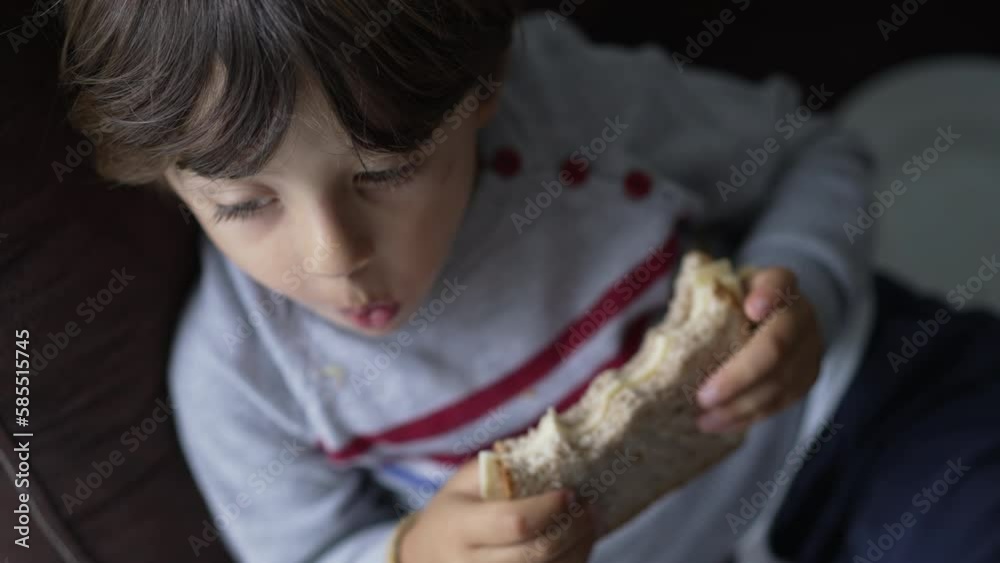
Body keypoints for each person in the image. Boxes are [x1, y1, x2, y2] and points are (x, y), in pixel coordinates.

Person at [58, 2, 878, 562]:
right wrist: (410, 552)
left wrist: (807, 286)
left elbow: (814, 153)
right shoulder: (240, 377)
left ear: (483, 91)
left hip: (837, 430)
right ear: (170, 182)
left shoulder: (568, 105)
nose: (334, 256)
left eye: (387, 171)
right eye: (244, 204)